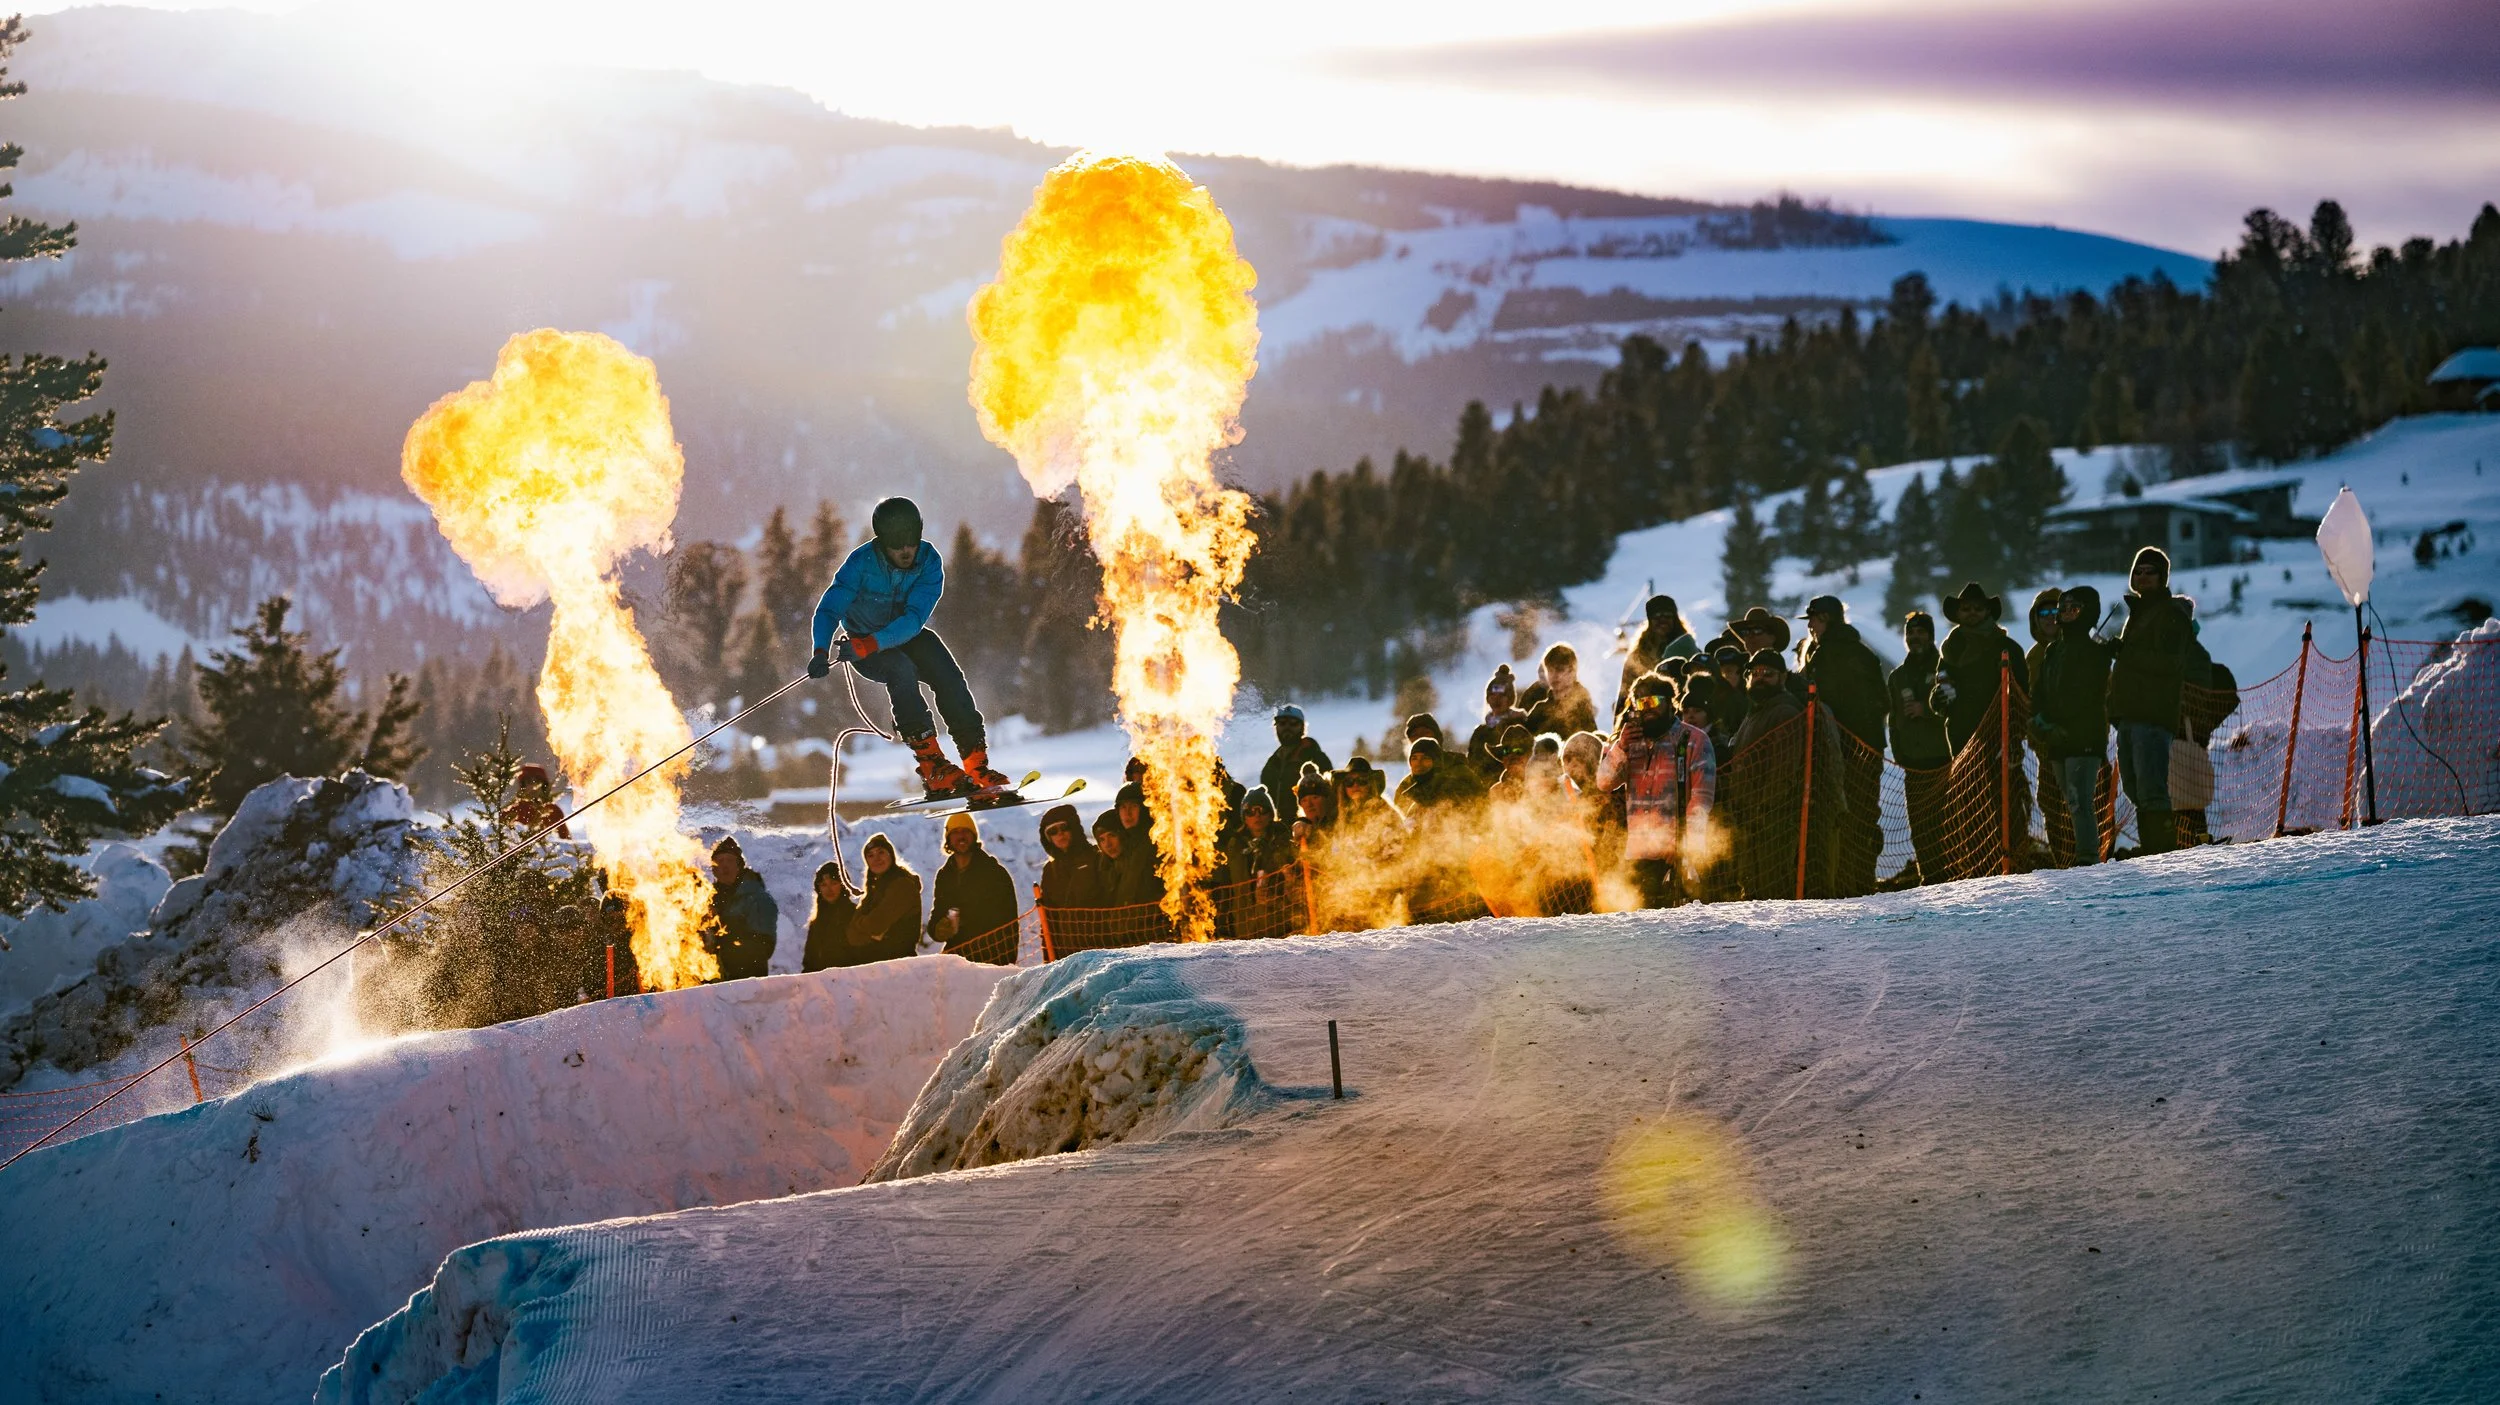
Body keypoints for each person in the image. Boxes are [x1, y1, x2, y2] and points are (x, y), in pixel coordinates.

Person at [808, 497, 1009, 799]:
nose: (905, 551)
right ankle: (933, 767)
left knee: (947, 673)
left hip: (902, 636)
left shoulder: (929, 562)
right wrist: (821, 650)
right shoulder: (860, 564)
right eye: (896, 545)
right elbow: (829, 610)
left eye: (911, 543)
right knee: (899, 669)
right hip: (867, 648)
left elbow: (914, 618)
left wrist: (869, 643)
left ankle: (975, 762)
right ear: (882, 542)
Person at [1726, 649, 1846, 900]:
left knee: (1773, 884)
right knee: (1752, 883)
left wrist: (1765, 809)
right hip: (1751, 815)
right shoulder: (1755, 712)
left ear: (1782, 677)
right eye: (1755, 673)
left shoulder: (1784, 711)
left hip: (1774, 816)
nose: (1760, 678)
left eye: (1768, 674)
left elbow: (1784, 770)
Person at [1596, 673, 1716, 908]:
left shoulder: (1693, 739)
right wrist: (1621, 747)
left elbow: (1700, 801)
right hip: (1638, 853)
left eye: (1654, 702)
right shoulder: (1630, 744)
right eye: (1641, 703)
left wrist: (1685, 844)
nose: (1648, 709)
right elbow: (1604, 782)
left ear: (1670, 703)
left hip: (1676, 853)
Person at [2106, 547, 2197, 855]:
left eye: (2150, 571)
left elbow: (2169, 662)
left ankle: (2161, 849)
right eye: (2139, 571)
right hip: (2131, 714)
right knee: (2134, 786)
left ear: (2163, 577)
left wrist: (2125, 653)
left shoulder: (2171, 615)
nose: (2143, 577)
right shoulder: (2140, 613)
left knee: (2151, 787)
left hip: (2153, 714)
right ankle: (2153, 846)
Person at [1794, 595, 1888, 895]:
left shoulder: (1831, 655)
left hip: (1846, 753)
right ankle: (1857, 882)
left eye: (1813, 619)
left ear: (1826, 619)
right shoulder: (1857, 652)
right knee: (1858, 818)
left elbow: (1841, 705)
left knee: (1849, 819)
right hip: (1861, 751)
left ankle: (1852, 885)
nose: (1809, 625)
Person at [2032, 585, 2112, 866]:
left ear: (2087, 612)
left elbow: (2088, 695)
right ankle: (2084, 855)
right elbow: (2041, 692)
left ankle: (2088, 857)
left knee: (2080, 800)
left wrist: (2058, 722)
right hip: (2057, 740)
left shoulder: (2095, 652)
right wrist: (2041, 721)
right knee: (2071, 800)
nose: (2064, 613)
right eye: (2061, 608)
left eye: (2073, 608)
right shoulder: (2054, 650)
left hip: (2083, 736)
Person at [1886, 611, 1951, 885]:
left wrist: (1926, 710)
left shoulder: (1944, 668)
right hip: (1913, 762)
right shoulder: (1898, 677)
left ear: (1931, 635)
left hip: (1943, 758)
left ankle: (1953, 873)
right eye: (1910, 633)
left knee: (1947, 819)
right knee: (1920, 825)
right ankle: (1930, 876)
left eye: (1921, 632)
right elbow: (1893, 719)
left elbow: (1954, 708)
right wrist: (1900, 754)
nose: (1915, 637)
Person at [2174, 596, 2239, 845]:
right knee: (2190, 794)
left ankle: (2189, 843)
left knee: (2184, 795)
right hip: (2192, 736)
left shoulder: (2190, 653)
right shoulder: (2194, 650)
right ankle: (2194, 841)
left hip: (2183, 734)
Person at [928, 811, 1018, 965]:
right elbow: (938, 911)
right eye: (955, 832)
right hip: (958, 959)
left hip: (992, 957)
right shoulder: (944, 875)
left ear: (974, 836)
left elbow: (1008, 922)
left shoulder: (994, 872)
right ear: (948, 839)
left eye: (966, 831)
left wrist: (1005, 961)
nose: (961, 836)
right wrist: (937, 929)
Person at [703, 835, 778, 981]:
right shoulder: (706, 898)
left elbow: (763, 946)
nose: (724, 866)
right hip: (713, 982)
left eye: (730, 860)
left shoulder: (757, 898)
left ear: (739, 865)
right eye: (719, 861)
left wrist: (726, 942)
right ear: (714, 869)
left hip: (746, 983)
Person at [1616, 595, 1700, 718]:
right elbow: (1625, 694)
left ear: (1674, 619)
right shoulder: (1638, 656)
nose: (1662, 621)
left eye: (1667, 616)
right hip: (1647, 716)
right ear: (1650, 620)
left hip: (1685, 715)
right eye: (1657, 617)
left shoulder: (1688, 649)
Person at [849, 832, 922, 962]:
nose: (876, 858)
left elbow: (875, 925)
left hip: (900, 964)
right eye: (870, 855)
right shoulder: (873, 889)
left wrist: (861, 926)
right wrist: (868, 932)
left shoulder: (902, 885)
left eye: (881, 852)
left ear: (891, 855)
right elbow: (851, 935)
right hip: (882, 965)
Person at [1259, 704, 1333, 816]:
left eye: (1293, 723)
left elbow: (1330, 794)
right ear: (1276, 727)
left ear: (1302, 728)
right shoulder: (1271, 765)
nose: (1287, 728)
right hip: (1281, 829)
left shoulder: (1315, 757)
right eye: (1282, 723)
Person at [1036, 803, 1105, 908]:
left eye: (1064, 827)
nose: (1060, 833)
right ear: (1048, 838)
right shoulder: (1050, 870)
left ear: (1074, 828)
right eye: (1052, 831)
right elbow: (1049, 912)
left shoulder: (1097, 858)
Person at [1468, 665, 1532, 779]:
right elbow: (1472, 763)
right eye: (1492, 695)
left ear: (1510, 698)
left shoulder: (1522, 725)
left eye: (1502, 695)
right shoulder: (1480, 733)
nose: (1496, 699)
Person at [1522, 643, 1598, 739]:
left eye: (1560, 670)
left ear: (1572, 671)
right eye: (1550, 670)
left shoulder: (1581, 707)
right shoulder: (1540, 709)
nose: (1554, 675)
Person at [1094, 807, 1166, 907]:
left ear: (1122, 836)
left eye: (1112, 835)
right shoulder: (1103, 870)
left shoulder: (1140, 864)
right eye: (1102, 840)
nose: (1108, 844)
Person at [801, 861, 864, 971]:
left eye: (833, 883)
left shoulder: (856, 915)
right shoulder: (816, 923)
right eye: (823, 885)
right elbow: (809, 963)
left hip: (852, 982)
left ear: (843, 885)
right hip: (823, 984)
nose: (829, 889)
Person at [502, 763, 570, 838]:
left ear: (543, 786)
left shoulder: (553, 810)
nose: (533, 786)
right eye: (529, 782)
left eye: (537, 782)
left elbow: (565, 841)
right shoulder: (513, 809)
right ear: (523, 786)